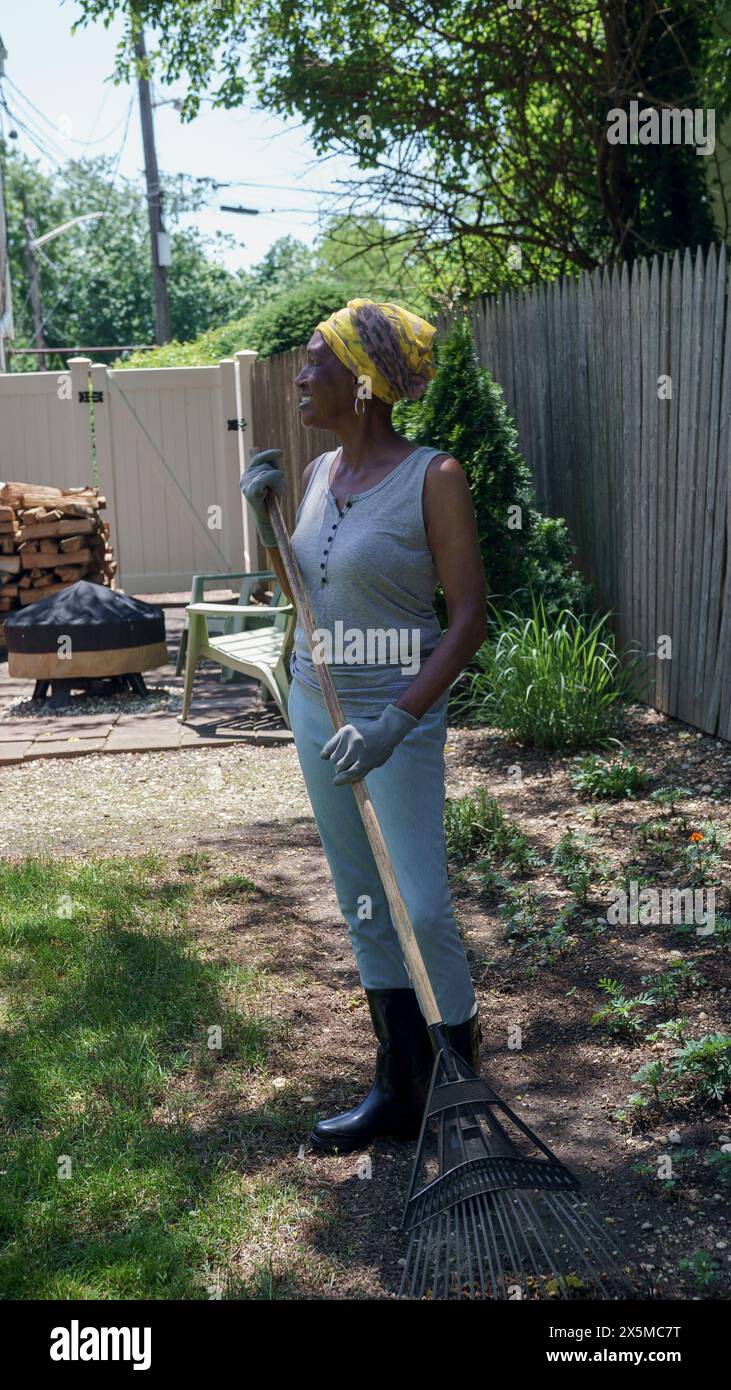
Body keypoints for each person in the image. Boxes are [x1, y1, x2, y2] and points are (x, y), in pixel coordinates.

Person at [240, 298, 488, 1153]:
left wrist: (397, 722)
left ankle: (461, 1096)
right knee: (361, 903)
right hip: (316, 706)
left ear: (367, 379)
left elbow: (467, 622)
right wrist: (265, 520)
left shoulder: (433, 477)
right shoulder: (315, 477)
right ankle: (398, 1086)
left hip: (395, 717)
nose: (301, 376)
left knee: (419, 905)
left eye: (316, 360)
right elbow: (300, 598)